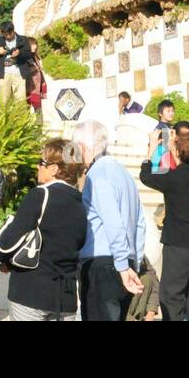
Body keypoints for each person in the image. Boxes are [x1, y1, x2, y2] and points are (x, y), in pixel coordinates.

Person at [0, 138, 88, 321]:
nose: (38, 167)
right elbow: (80, 242)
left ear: (54, 169)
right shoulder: (81, 203)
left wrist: (3, 260)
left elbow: (7, 243)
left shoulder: (40, 195)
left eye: (41, 163)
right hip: (65, 297)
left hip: (31, 291)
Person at [74, 119, 146, 321]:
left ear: (82, 147)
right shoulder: (124, 173)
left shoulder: (98, 176)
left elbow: (114, 223)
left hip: (105, 264)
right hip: (124, 261)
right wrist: (134, 263)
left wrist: (123, 266)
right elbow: (139, 223)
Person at [139, 132, 189, 321]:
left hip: (180, 244)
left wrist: (151, 148)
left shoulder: (173, 178)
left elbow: (146, 175)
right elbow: (184, 167)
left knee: (171, 296)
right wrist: (175, 149)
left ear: (177, 151)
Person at [0, 21, 36, 103]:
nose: (8, 36)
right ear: (2, 33)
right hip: (4, 74)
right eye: (5, 34)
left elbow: (29, 54)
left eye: (9, 34)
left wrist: (19, 53)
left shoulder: (23, 39)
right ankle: (4, 116)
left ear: (13, 31)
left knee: (20, 101)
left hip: (19, 73)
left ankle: (20, 116)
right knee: (4, 101)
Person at [148, 99, 176, 172]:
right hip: (164, 167)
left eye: (172, 111)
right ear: (160, 114)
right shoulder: (159, 129)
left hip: (172, 164)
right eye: (168, 111)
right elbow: (154, 149)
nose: (171, 113)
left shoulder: (172, 127)